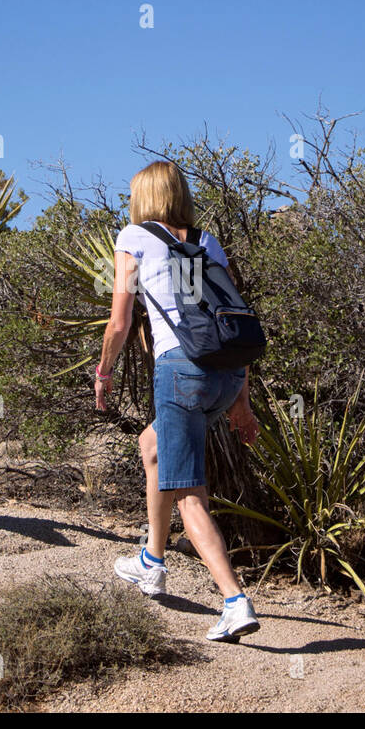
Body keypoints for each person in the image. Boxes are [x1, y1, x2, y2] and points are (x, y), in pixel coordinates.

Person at [95, 160, 261, 641]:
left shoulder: (134, 237)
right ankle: (152, 560)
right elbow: (229, 321)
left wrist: (104, 372)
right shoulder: (205, 241)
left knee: (188, 491)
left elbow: (120, 322)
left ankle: (234, 600)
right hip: (226, 373)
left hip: (181, 373)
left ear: (142, 197)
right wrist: (241, 401)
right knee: (153, 448)